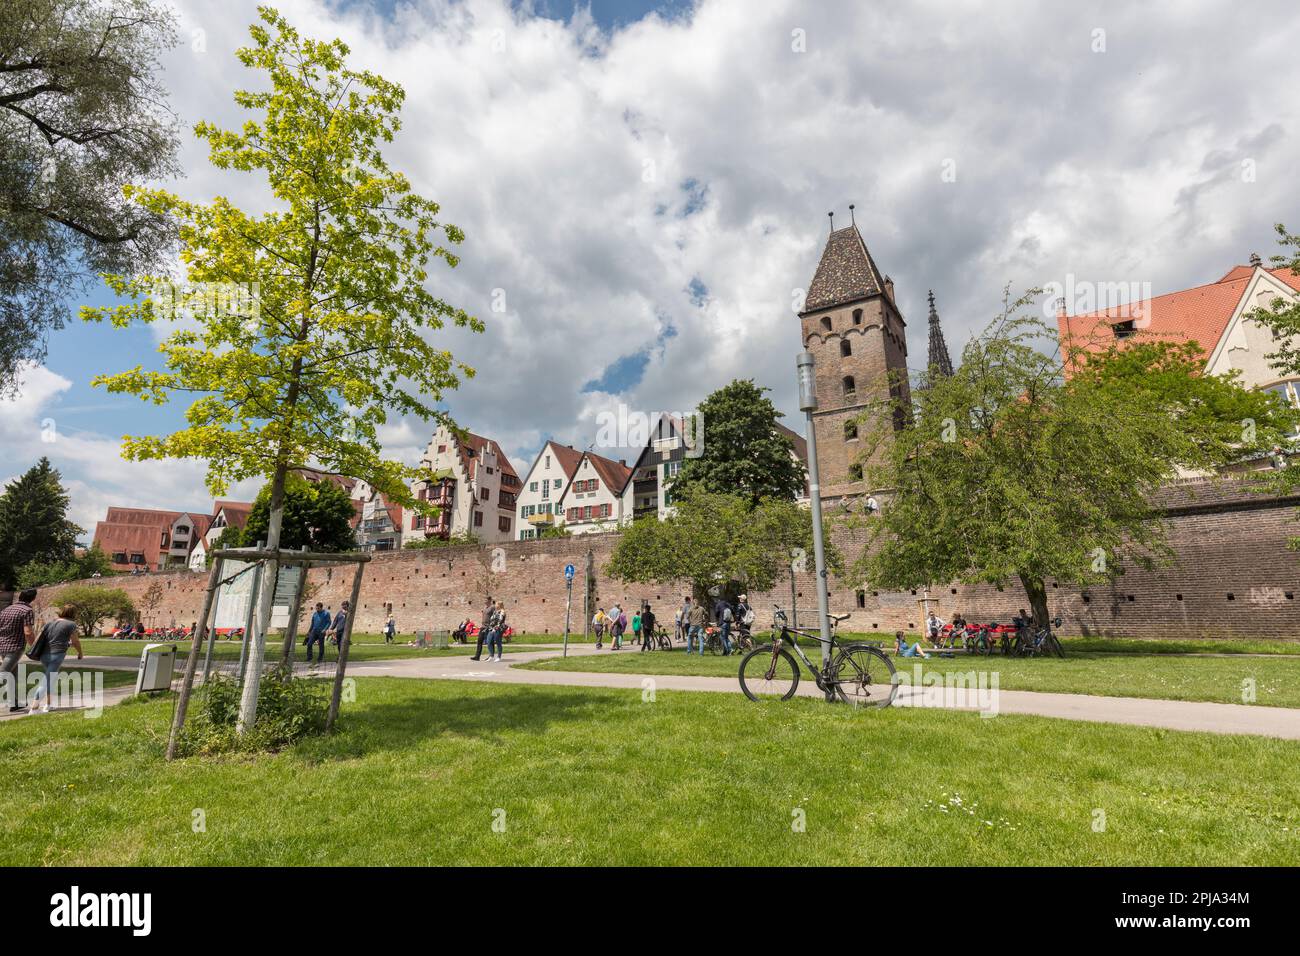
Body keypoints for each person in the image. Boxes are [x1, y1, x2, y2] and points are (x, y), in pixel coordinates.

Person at [29, 605, 84, 714]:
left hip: (44, 654)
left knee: (51, 679)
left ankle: (49, 705)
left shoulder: (50, 623)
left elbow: (40, 637)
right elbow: (75, 641)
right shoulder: (71, 624)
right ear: (73, 613)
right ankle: (34, 708)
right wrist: (80, 653)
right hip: (57, 654)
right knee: (47, 680)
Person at [0, 588, 37, 712]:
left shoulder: (7, 609)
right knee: (3, 673)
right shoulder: (27, 610)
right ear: (33, 598)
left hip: (3, 646)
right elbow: (28, 632)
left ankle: (14, 703)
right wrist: (35, 647)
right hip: (15, 647)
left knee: (11, 676)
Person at [470, 597, 495, 661]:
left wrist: (492, 626)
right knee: (479, 641)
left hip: (489, 627)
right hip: (483, 627)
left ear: (489, 600)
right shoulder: (484, 608)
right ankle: (477, 656)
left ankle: (491, 656)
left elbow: (495, 617)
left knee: (490, 642)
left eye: (486, 600)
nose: (484, 601)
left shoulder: (492, 607)